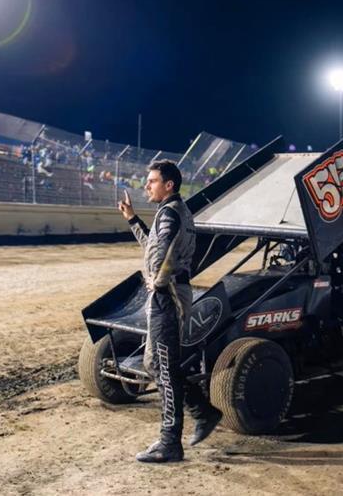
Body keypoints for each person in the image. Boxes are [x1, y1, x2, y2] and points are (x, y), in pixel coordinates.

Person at [117, 159, 221, 463]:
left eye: (152, 181)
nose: (147, 185)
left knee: (163, 365)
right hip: (170, 293)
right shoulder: (172, 212)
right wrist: (133, 219)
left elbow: (160, 256)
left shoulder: (170, 213)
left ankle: (170, 442)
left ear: (169, 185)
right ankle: (203, 412)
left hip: (168, 296)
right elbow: (154, 247)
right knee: (156, 364)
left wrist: (158, 285)